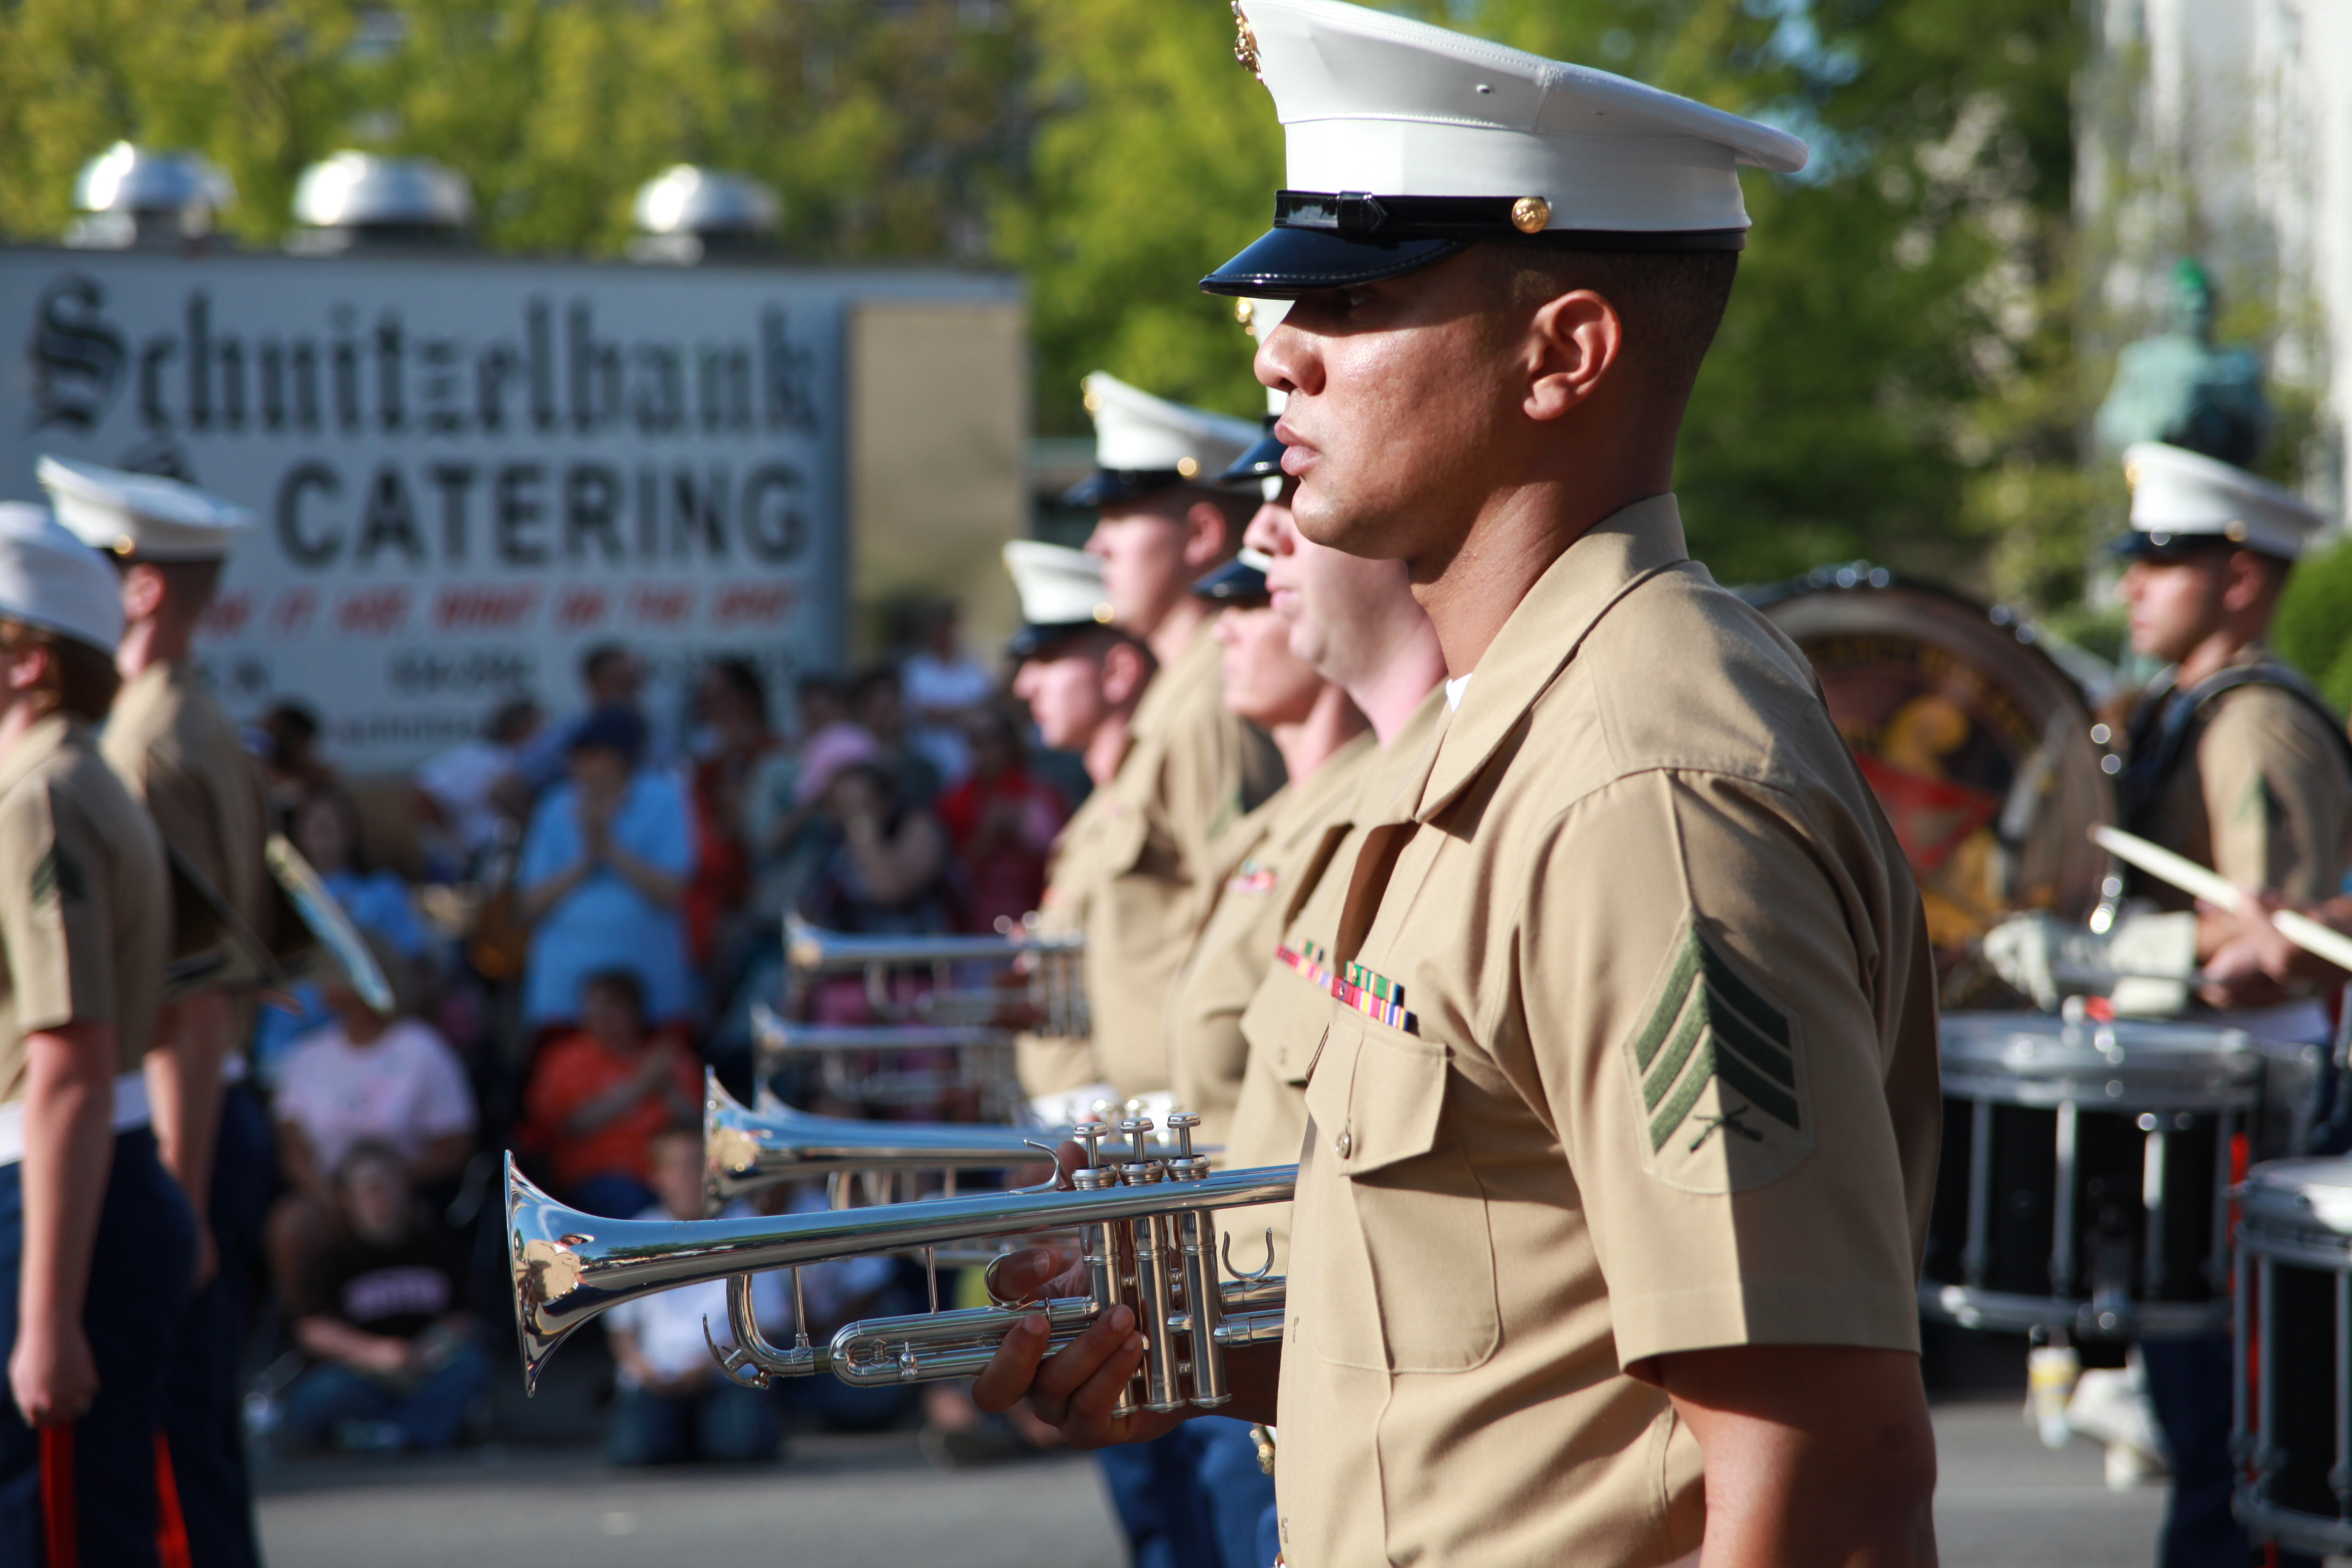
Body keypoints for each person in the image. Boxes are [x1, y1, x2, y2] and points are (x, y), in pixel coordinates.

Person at [978, 10, 1943, 1566]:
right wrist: (1190, 1350)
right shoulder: (1503, 736)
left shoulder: (1640, 785)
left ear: (1562, 353)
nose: (1277, 352)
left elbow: (1825, 1476)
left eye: (1354, 300)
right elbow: (1514, 1350)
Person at [2104, 440, 2348, 1568]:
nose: (2132, 585)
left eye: (2163, 561)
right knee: (2201, 1427)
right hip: (2201, 1104)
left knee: (2237, 1447)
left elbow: (2278, 950)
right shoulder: (2175, 708)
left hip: (2253, 1105)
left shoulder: (2253, 721)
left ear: (2240, 578)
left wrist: (2103, 957)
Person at [44, 454, 273, 1568]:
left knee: (171, 1470)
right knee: (192, 1447)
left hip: (178, 1122)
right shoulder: (193, 720)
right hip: (204, 1115)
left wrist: (177, 1199)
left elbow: (196, 997)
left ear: (137, 589)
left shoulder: (141, 744)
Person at [0, 504, 194, 1567]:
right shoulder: (74, 777)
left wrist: (47, 1315)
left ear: (30, 663)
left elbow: (69, 1063)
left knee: (59, 1536)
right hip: (85, 1183)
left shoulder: (41, 796)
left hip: (61, 1193)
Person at [1047, 372, 1286, 1115]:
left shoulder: (1213, 702)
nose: (1097, 544)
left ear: (1203, 535)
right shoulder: (1178, 698)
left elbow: (1244, 930)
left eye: (1122, 516)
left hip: (1198, 1116)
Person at [1000, 542, 1156, 1118]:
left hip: (1119, 1120)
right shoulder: (1098, 809)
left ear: (1117, 671)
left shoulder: (1144, 792)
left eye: (1047, 658)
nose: (1025, 685)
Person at [269, 932, 476, 1294]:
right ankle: (315, 1322)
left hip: (407, 1191)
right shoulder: (307, 1056)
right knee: (293, 1226)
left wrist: (382, 1186)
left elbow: (455, 1146)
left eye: (332, 969)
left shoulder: (422, 1049)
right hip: (328, 1194)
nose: (320, 979)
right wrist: (331, 1195)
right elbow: (293, 1147)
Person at [277, 1142, 488, 1454]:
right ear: (348, 1197)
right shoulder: (329, 1251)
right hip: (361, 1370)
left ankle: (393, 1434)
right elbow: (313, 1330)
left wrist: (428, 1349)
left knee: (471, 1366)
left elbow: (465, 1314)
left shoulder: (436, 1243)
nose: (380, 1198)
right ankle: (409, 1431)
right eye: (370, 1189)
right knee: (319, 1395)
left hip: (424, 1365)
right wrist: (375, 1353)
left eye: (389, 1185)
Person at [602, 1129, 785, 1466]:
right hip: (657, 1379)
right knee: (638, 1453)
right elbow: (621, 1330)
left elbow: (769, 1324)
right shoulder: (633, 1233)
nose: (690, 1178)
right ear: (657, 1177)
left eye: (699, 1165)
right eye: (678, 1167)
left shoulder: (749, 1226)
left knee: (742, 1445)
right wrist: (643, 1370)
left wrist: (708, 1367)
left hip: (728, 1377)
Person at [515, 705, 695, 1033]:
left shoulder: (665, 799)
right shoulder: (554, 805)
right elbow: (530, 902)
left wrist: (608, 847)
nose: (576, 766)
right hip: (565, 993)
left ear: (618, 759)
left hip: (650, 990)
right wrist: (587, 859)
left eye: (589, 756)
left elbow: (671, 891)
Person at [521, 969, 700, 1218]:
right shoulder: (565, 1059)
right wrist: (643, 1083)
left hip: (672, 1175)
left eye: (613, 1008)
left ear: (636, 1012)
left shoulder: (669, 1056)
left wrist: (668, 1086)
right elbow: (571, 1125)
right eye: (594, 1008)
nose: (602, 1017)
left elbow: (699, 1124)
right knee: (629, 1200)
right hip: (598, 1177)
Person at [933, 708, 1069, 937]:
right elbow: (953, 877)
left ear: (1009, 743)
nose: (984, 749)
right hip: (974, 929)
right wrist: (989, 834)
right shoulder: (955, 802)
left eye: (992, 739)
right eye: (975, 741)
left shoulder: (1043, 795)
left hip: (1040, 918)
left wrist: (1027, 831)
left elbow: (1060, 861)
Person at [684, 658, 779, 975]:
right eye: (704, 698)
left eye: (720, 696)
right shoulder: (703, 763)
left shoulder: (776, 753)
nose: (710, 707)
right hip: (710, 906)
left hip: (765, 903)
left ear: (747, 698)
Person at [413, 696, 542, 881]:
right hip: (470, 861)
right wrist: (453, 841)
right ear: (522, 729)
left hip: (507, 857)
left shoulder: (522, 761)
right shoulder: (477, 757)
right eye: (539, 727)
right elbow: (423, 792)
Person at [902, 602, 997, 787]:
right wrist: (964, 713)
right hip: (928, 760)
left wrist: (945, 714)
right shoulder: (915, 669)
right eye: (939, 629)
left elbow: (987, 708)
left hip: (968, 764)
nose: (945, 635)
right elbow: (921, 712)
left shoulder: (973, 668)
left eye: (948, 628)